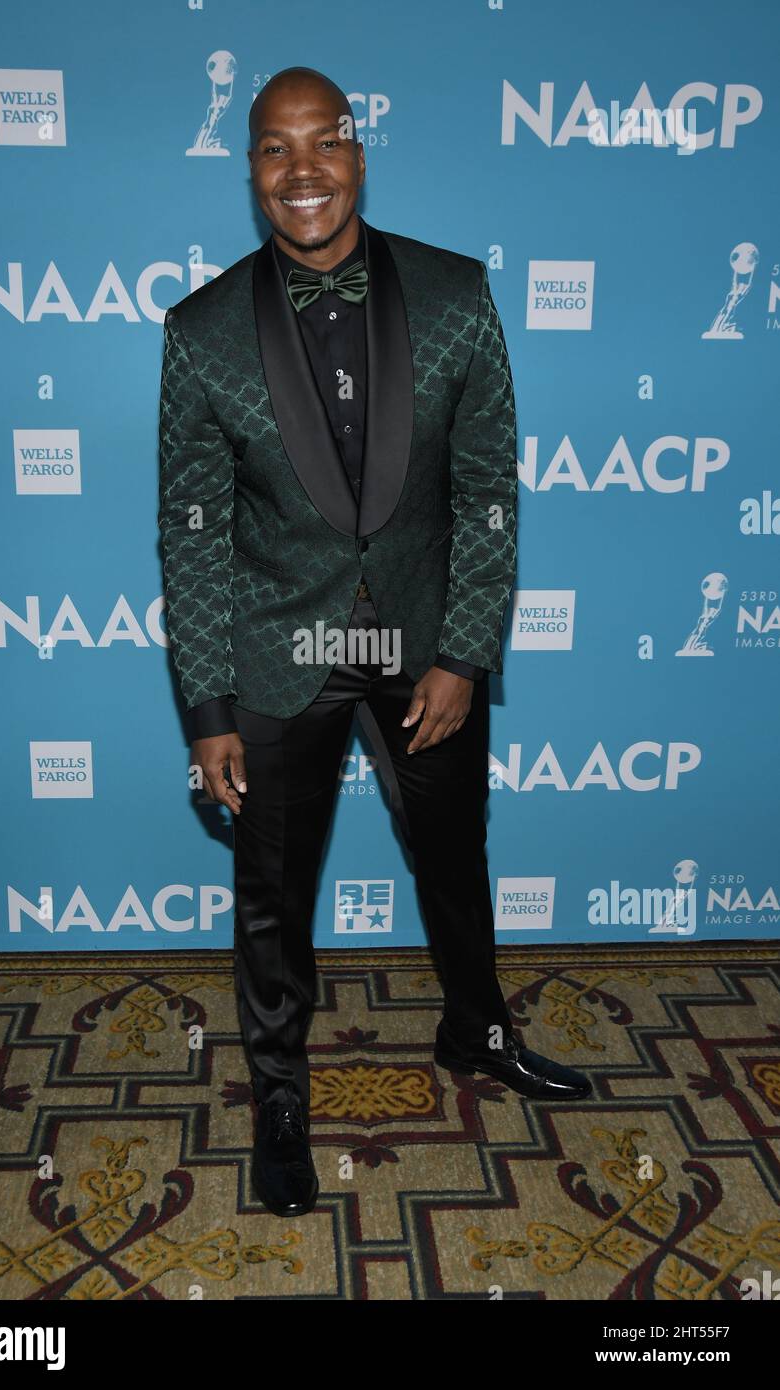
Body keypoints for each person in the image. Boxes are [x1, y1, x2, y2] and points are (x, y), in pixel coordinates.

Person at [158, 66, 591, 1218]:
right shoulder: (199, 332)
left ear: (358, 151)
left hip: (424, 645)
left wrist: (461, 650)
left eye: (323, 142)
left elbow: (487, 488)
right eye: (272, 150)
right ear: (249, 170)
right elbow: (192, 531)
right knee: (272, 897)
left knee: (453, 859)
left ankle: (477, 1027)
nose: (302, 170)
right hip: (273, 650)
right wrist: (206, 709)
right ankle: (281, 1099)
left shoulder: (455, 294)